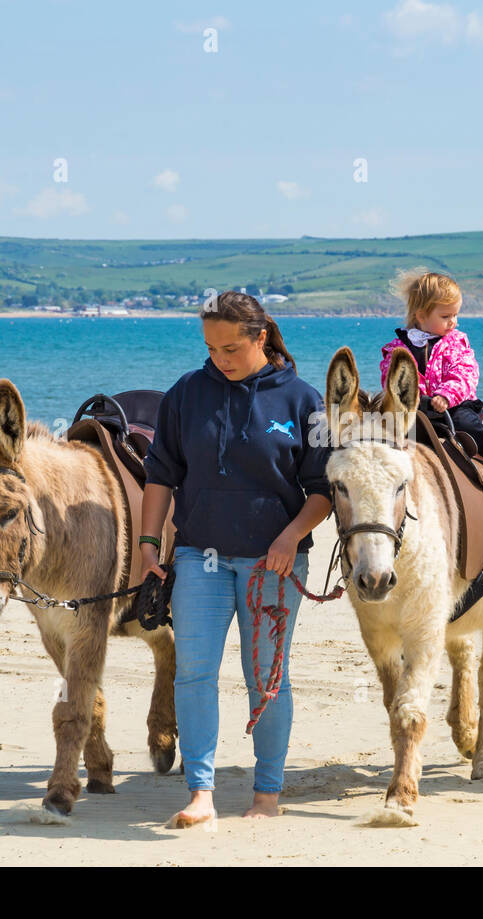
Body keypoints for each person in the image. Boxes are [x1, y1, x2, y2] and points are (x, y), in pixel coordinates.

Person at [139, 291, 333, 827]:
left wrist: (291, 537)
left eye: (229, 347)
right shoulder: (186, 393)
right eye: (210, 347)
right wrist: (149, 545)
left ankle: (267, 793)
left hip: (274, 564)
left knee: (266, 676)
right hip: (199, 558)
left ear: (260, 337)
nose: (218, 358)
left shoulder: (303, 401)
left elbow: (322, 489)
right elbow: (161, 474)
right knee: (194, 674)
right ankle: (201, 794)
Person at [380, 270, 483, 494]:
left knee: (468, 424)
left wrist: (446, 395)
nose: (452, 322)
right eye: (446, 316)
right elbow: (390, 375)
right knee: (383, 431)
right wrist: (407, 397)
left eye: (455, 315)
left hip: (451, 407)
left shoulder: (455, 342)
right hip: (414, 410)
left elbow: (465, 371)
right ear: (421, 315)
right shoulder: (397, 348)